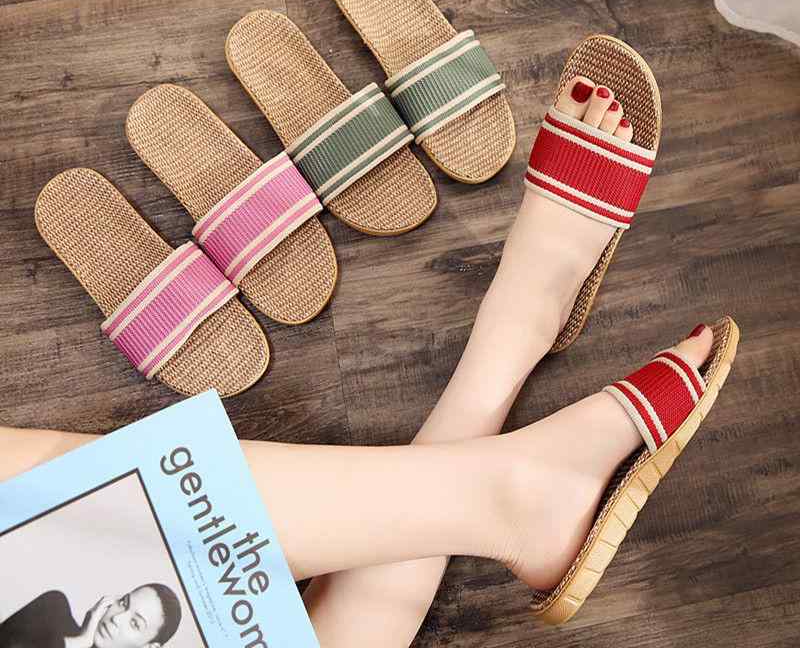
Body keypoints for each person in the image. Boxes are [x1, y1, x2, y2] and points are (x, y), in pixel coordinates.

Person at [0, 73, 734, 645]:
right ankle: (513, 377)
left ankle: (505, 375)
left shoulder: (55, 605)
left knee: (48, 496)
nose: (121, 611)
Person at [0, 584, 182, 648]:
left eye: (134, 623)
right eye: (123, 603)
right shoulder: (53, 610)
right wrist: (78, 644)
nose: (116, 618)